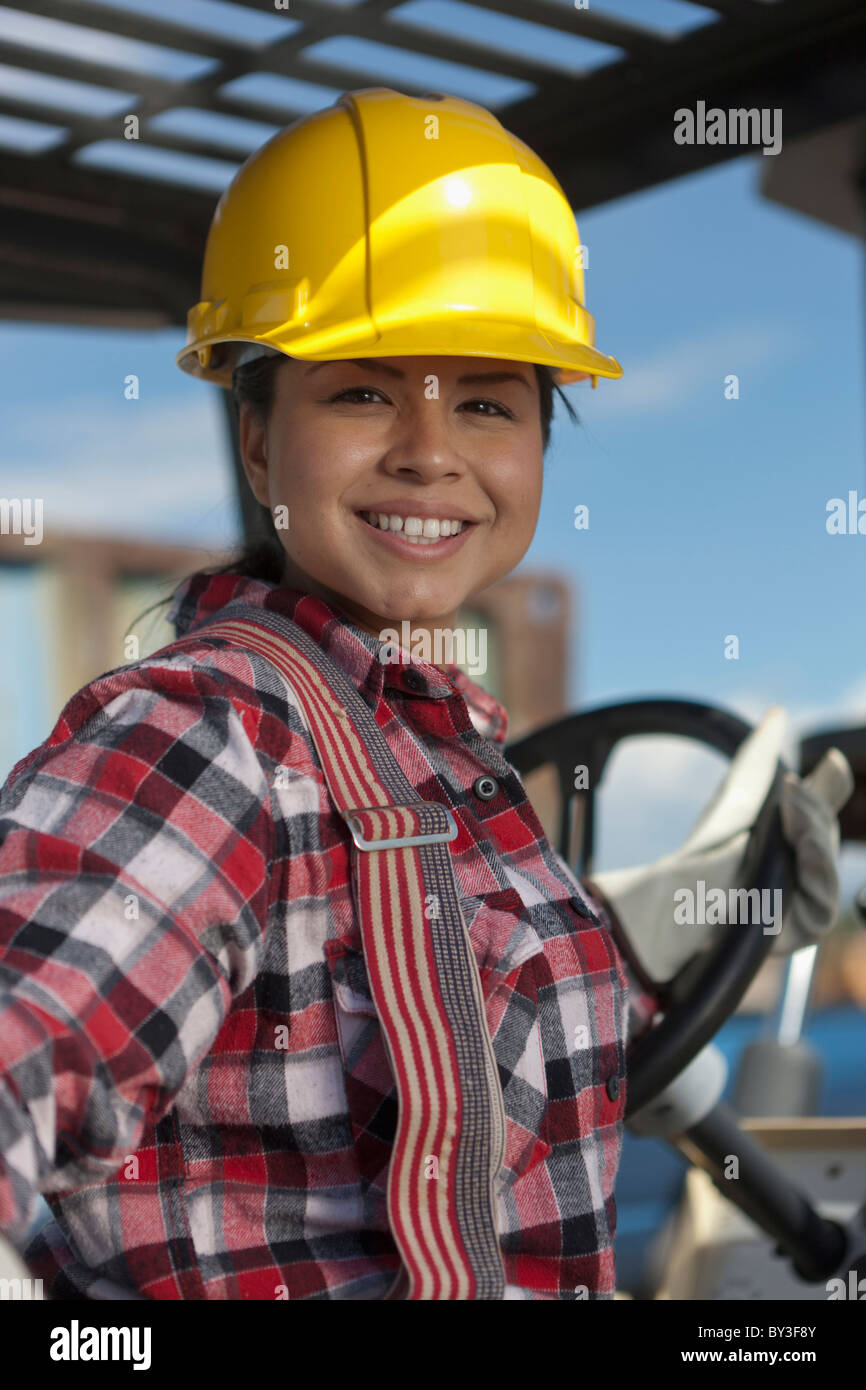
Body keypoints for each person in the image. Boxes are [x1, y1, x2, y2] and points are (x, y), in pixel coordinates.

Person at [0, 88, 844, 1302]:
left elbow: (436, 1023)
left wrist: (648, 941)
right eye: (362, 390)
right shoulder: (208, 730)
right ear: (256, 440)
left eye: (488, 401)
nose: (428, 450)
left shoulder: (438, 749)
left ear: (540, 449)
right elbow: (32, 1030)